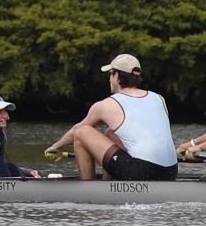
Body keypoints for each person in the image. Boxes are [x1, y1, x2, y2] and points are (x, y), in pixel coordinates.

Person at [45, 53, 180, 181]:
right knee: (110, 134)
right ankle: (109, 184)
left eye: (110, 74)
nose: (109, 78)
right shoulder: (158, 98)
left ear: (117, 76)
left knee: (82, 133)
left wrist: (57, 147)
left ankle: (88, 189)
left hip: (142, 171)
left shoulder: (107, 104)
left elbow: (76, 129)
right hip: (170, 172)